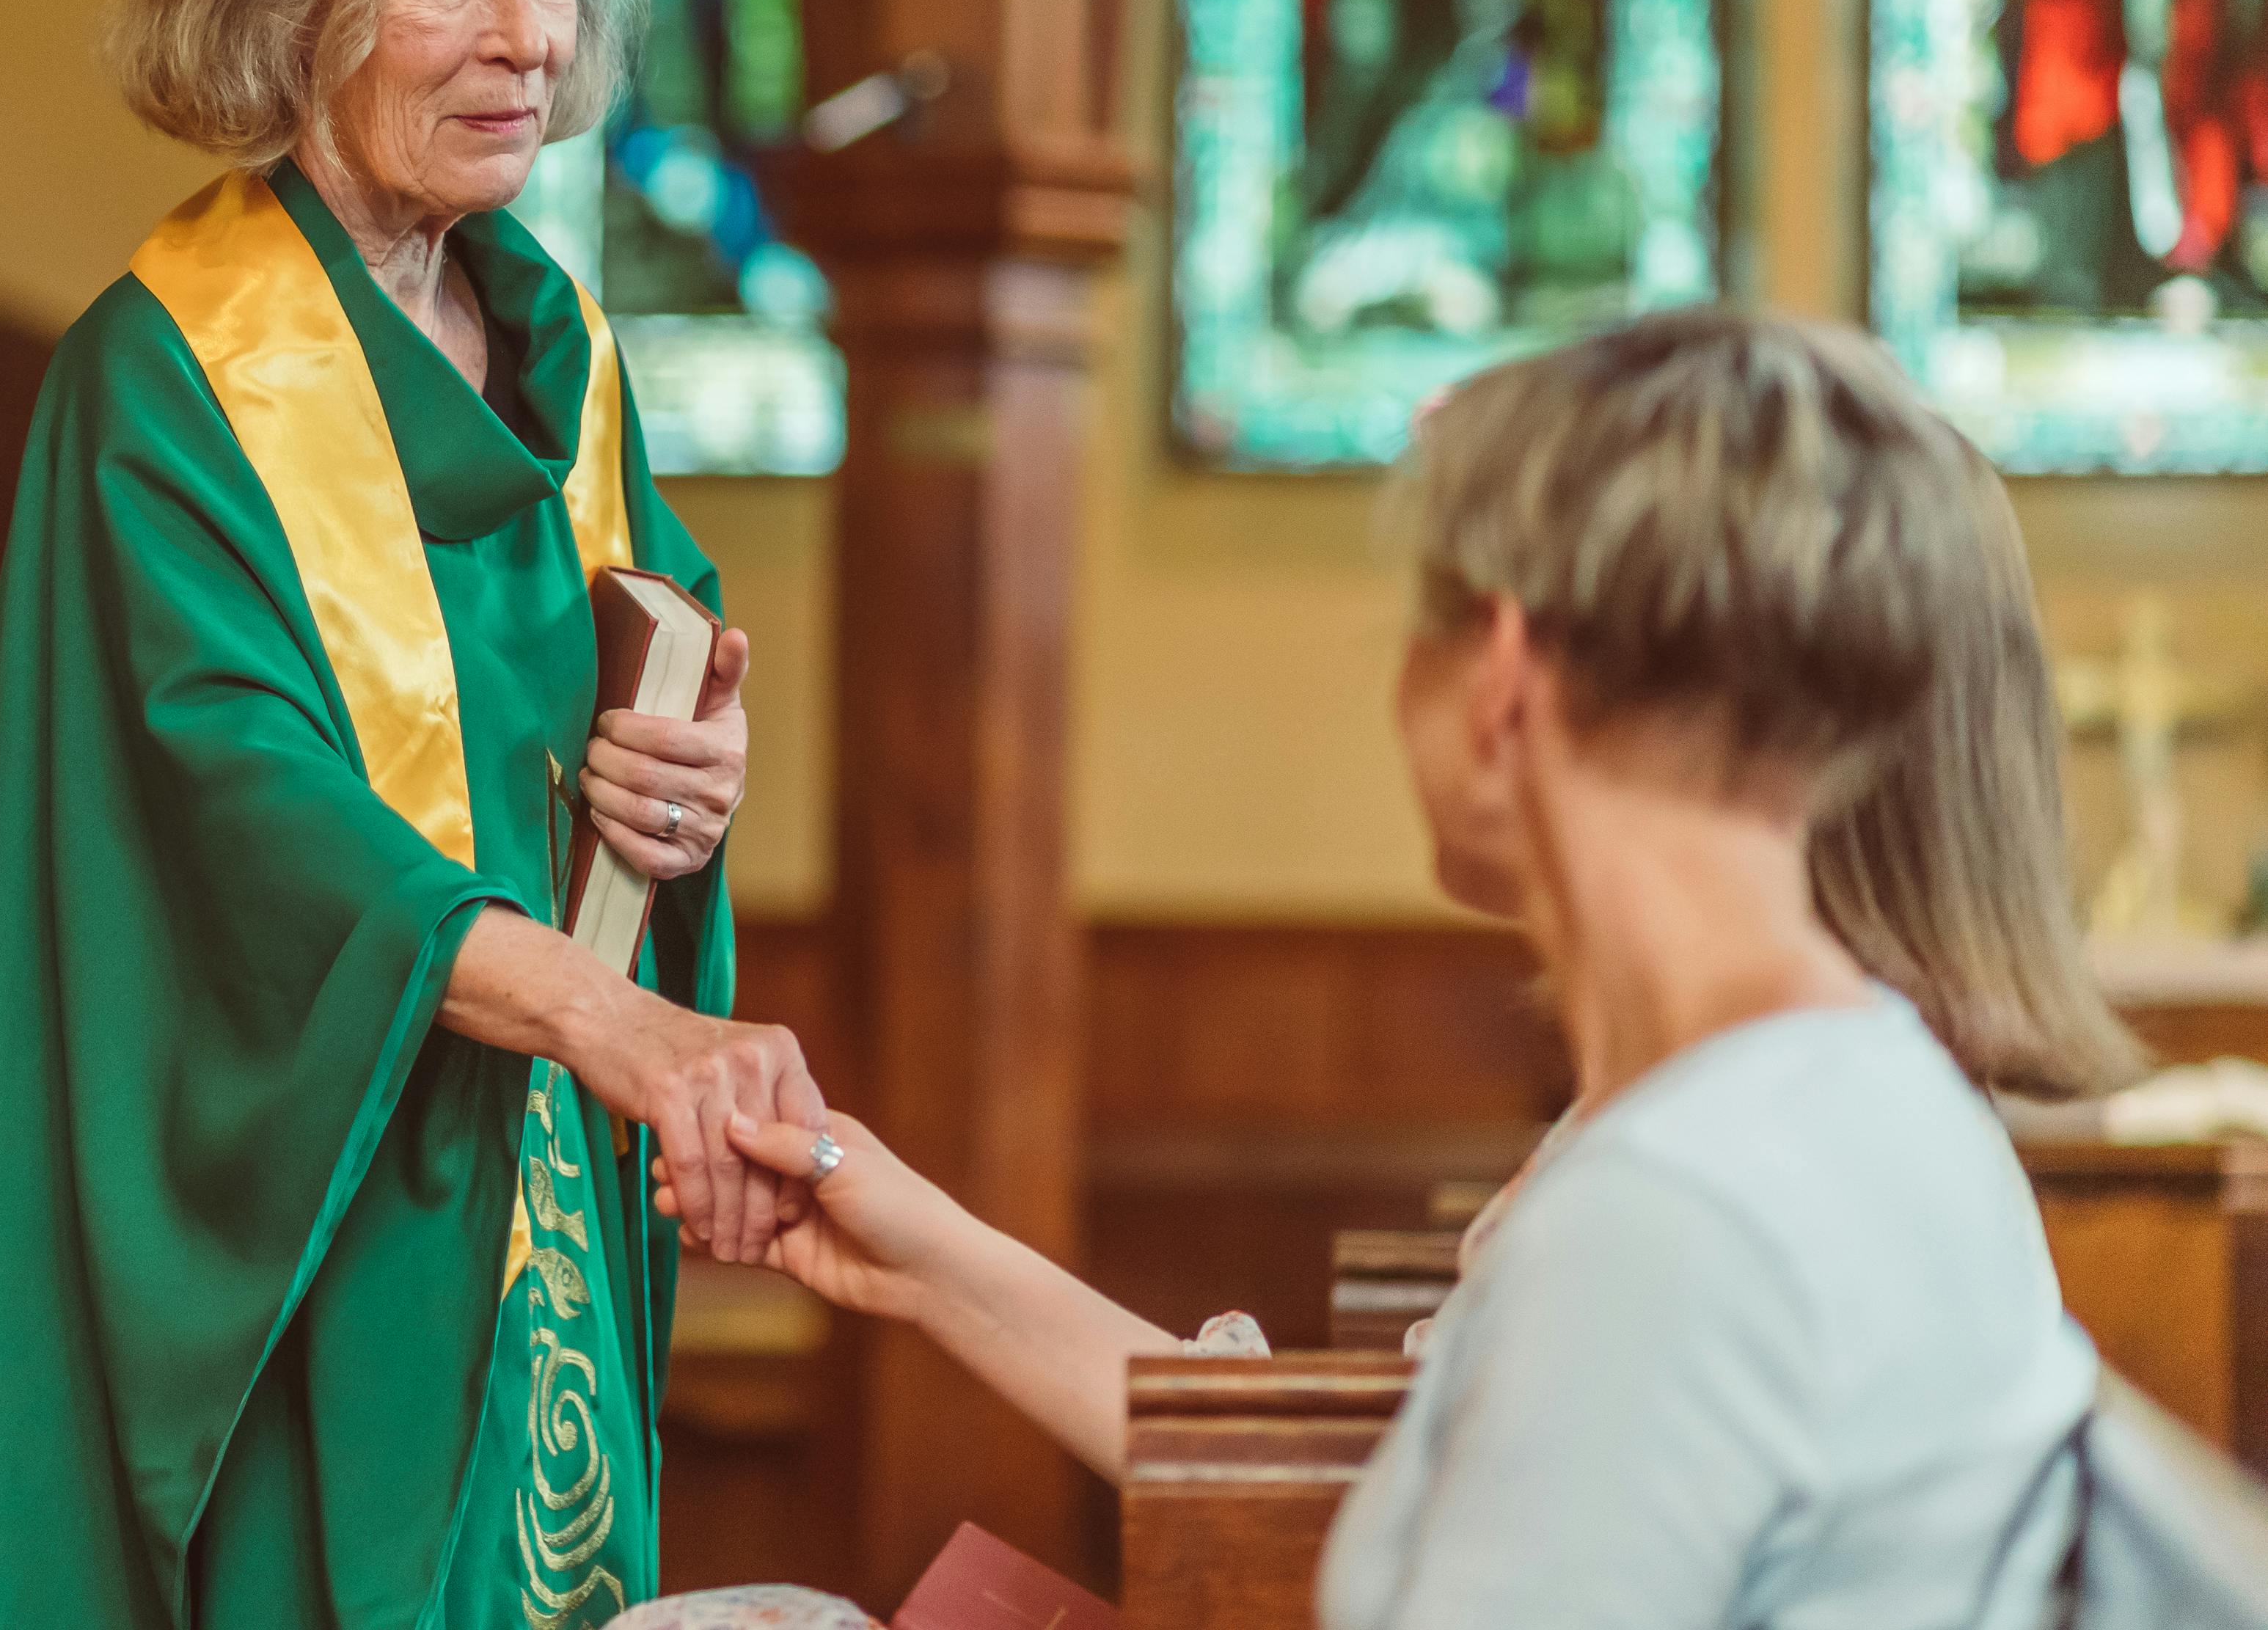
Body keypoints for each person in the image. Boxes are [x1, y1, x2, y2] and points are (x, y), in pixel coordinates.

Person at [663, 308, 2135, 1628]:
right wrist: (923, 1249)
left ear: (1501, 675)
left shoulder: (1678, 1206)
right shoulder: (1839, 1093)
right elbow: (1395, 1480)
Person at [0, 0, 826, 1630]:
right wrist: (616, 1030)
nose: (526, 40)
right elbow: (255, 826)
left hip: (529, 1199)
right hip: (302, 1236)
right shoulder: (166, 383)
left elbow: (652, 701)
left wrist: (690, 793)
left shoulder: (564, 361)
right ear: (285, 4)